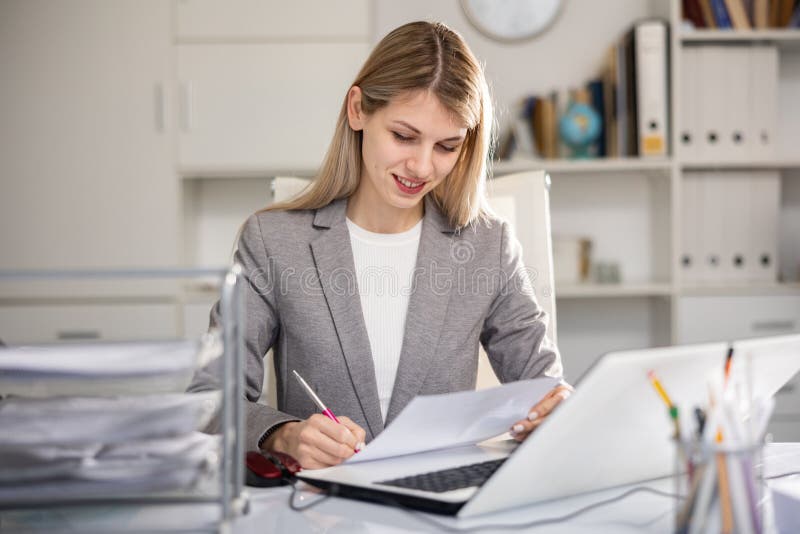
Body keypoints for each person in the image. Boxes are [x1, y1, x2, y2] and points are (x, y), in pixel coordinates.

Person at [189, 21, 571, 470]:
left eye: (446, 146)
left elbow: (546, 388)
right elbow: (207, 404)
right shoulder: (274, 242)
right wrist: (284, 435)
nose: (422, 166)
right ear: (358, 110)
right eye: (404, 136)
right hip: (320, 508)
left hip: (443, 501)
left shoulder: (489, 244)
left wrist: (558, 408)